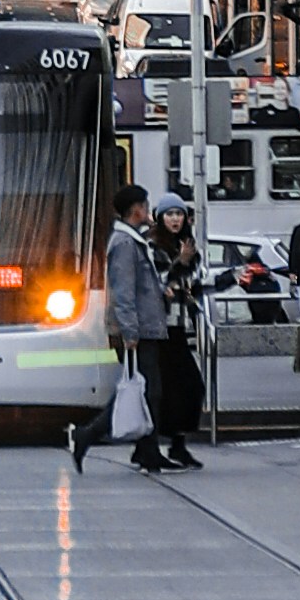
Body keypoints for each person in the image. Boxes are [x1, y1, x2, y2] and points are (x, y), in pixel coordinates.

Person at [104, 188, 167, 475]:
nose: (149, 209)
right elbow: (124, 291)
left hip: (144, 329)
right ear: (136, 209)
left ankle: (146, 450)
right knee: (148, 390)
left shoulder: (133, 240)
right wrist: (130, 332)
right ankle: (148, 451)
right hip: (138, 331)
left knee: (147, 390)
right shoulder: (125, 243)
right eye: (145, 205)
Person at [148, 200, 208, 467]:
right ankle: (164, 444)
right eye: (169, 214)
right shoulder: (153, 247)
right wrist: (179, 263)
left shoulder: (188, 248)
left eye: (179, 215)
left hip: (179, 325)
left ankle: (177, 443)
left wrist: (234, 277)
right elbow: (158, 283)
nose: (175, 220)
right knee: (172, 387)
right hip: (160, 326)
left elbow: (196, 285)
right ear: (160, 218)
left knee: (190, 387)